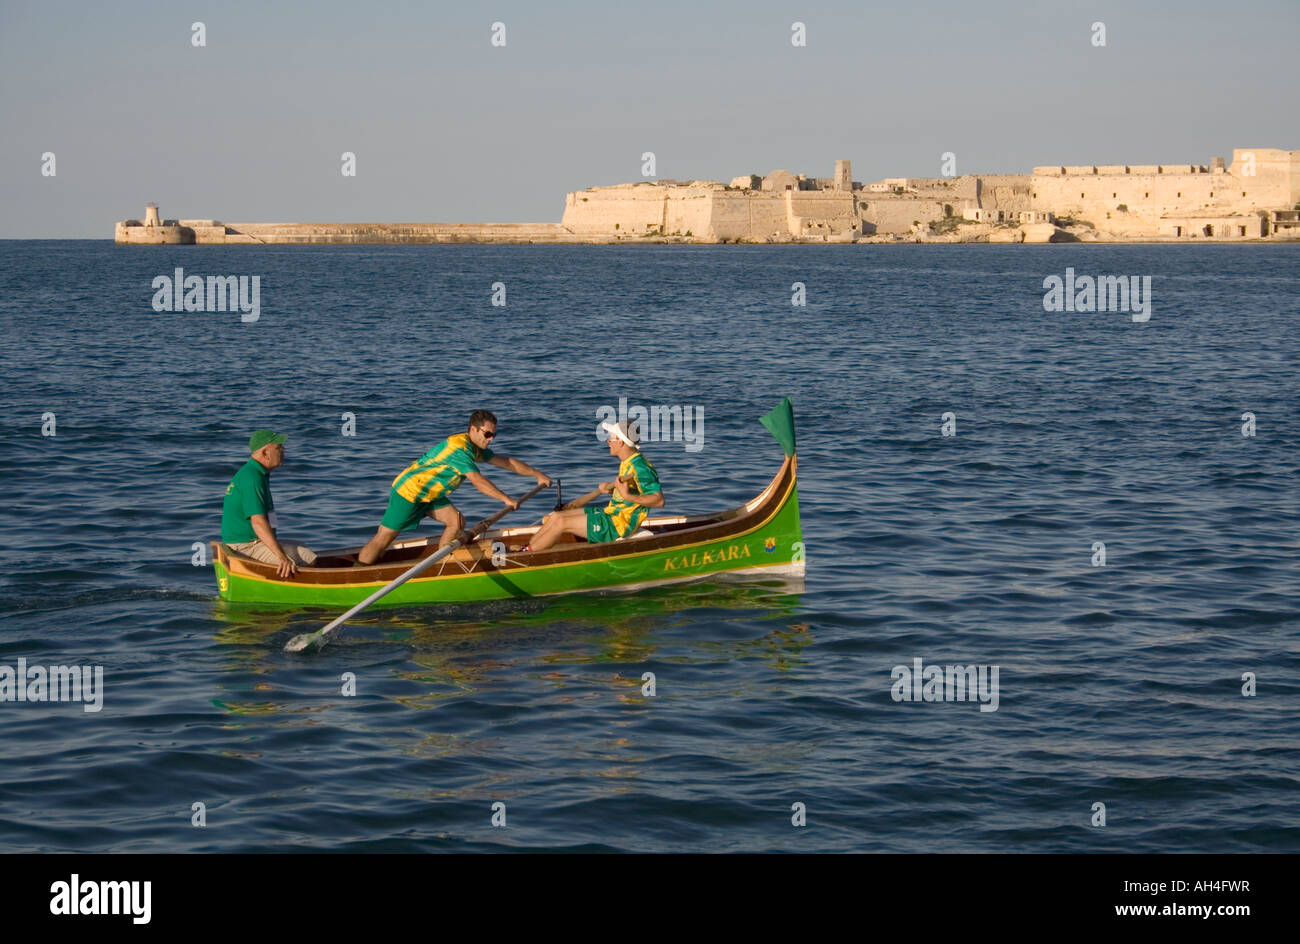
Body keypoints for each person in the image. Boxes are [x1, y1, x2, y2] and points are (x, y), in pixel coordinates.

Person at [356, 410, 551, 565]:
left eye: (494, 435)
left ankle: (440, 564)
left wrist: (537, 474)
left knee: (456, 521)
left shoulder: (475, 448)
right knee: (384, 538)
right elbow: (477, 480)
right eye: (488, 434)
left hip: (430, 495)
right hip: (409, 493)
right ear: (473, 430)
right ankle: (359, 573)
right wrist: (506, 499)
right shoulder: (460, 449)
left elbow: (507, 462)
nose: (491, 439)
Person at [526, 419, 663, 552]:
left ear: (620, 443)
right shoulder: (628, 461)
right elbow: (633, 491)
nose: (608, 442)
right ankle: (526, 549)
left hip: (619, 525)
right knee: (556, 516)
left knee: (562, 522)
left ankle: (526, 556)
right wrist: (613, 491)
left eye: (610, 439)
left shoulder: (640, 467)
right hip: (611, 513)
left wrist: (626, 494)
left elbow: (658, 500)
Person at [221, 429, 317, 578]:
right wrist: (281, 556)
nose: (284, 449)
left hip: (248, 542)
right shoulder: (252, 478)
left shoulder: (255, 473)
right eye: (279, 447)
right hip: (245, 547)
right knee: (307, 557)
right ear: (265, 453)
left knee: (302, 546)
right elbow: (258, 522)